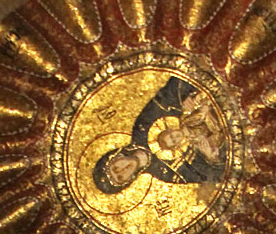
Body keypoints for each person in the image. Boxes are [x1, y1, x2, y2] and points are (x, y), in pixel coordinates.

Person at [93, 76, 228, 194]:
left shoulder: (142, 128)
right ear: (128, 181)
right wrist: (211, 157)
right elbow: (215, 175)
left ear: (116, 157)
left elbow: (171, 91)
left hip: (211, 97)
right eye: (121, 177)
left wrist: (186, 99)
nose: (123, 170)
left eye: (116, 167)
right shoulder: (168, 173)